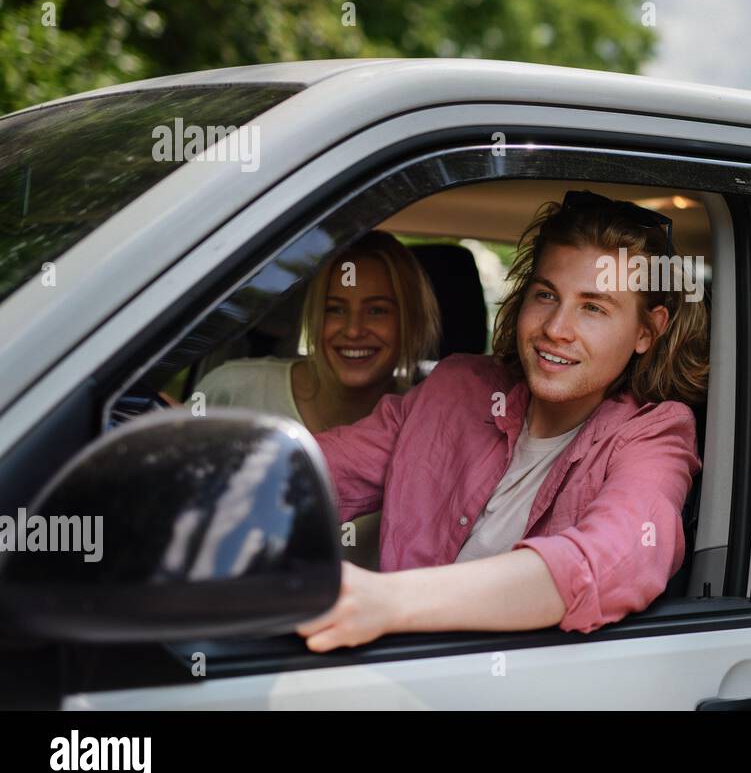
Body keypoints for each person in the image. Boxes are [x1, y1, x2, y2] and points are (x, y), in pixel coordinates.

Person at [295, 190, 710, 651]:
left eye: (592, 307)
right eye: (546, 295)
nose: (555, 328)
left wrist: (387, 601)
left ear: (646, 331)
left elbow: (609, 560)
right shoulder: (456, 389)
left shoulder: (653, 434)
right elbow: (313, 475)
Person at [194, 231, 441, 565]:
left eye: (377, 311)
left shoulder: (429, 428)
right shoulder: (234, 388)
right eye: (335, 310)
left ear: (411, 322)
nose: (353, 330)